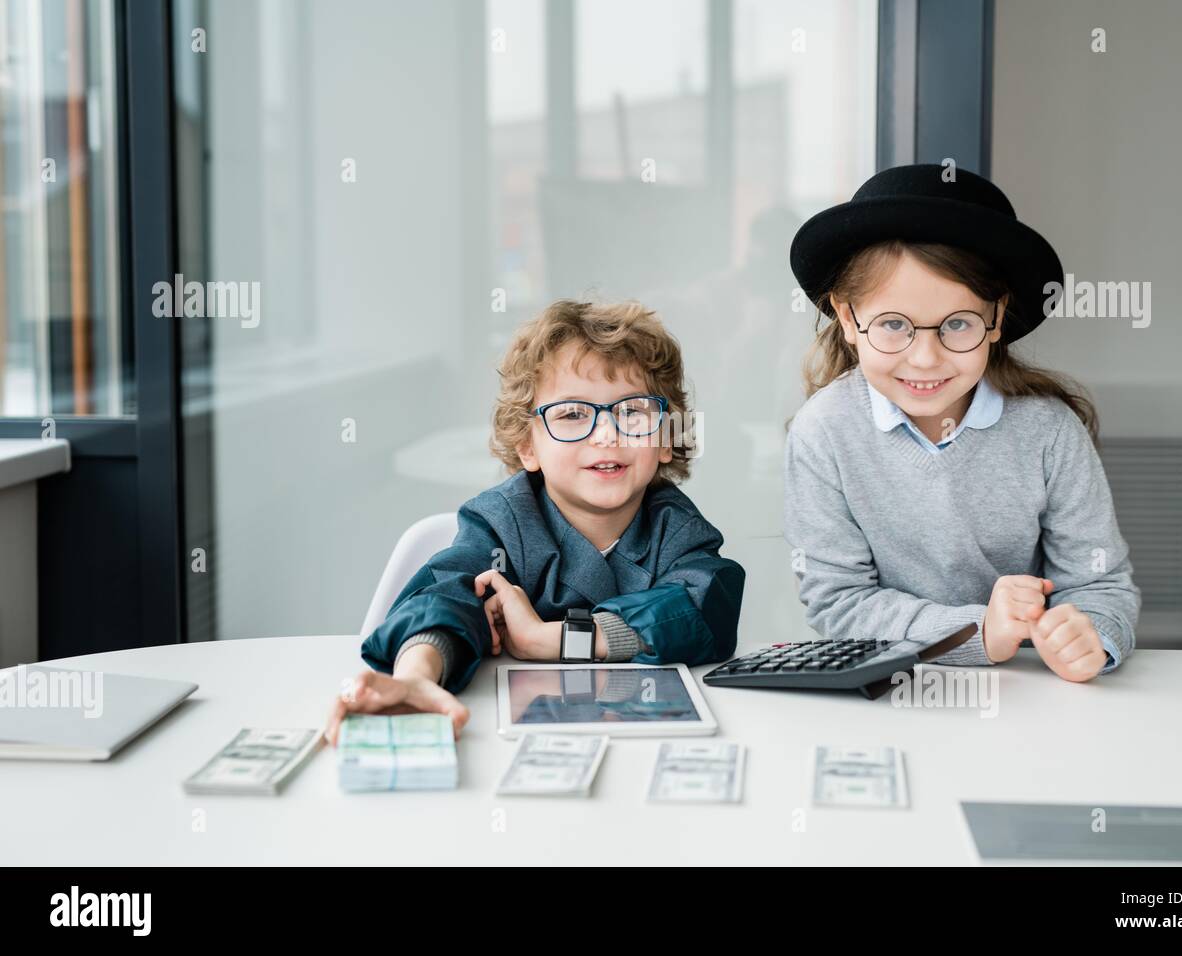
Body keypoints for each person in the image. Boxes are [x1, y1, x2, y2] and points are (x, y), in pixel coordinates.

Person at [326, 299, 745, 742]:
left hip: (642, 738)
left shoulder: (675, 527)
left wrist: (552, 639)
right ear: (527, 446)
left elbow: (706, 606)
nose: (607, 433)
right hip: (506, 739)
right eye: (571, 414)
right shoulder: (502, 521)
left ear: (665, 438)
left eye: (633, 411)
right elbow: (446, 593)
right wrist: (417, 676)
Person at [784, 163, 1139, 683]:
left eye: (957, 324)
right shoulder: (823, 433)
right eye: (892, 325)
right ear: (846, 318)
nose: (925, 359)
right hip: (888, 689)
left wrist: (1092, 635)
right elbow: (840, 603)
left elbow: (1099, 584)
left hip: (1025, 688)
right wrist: (978, 632)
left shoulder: (1050, 432)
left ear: (996, 318)